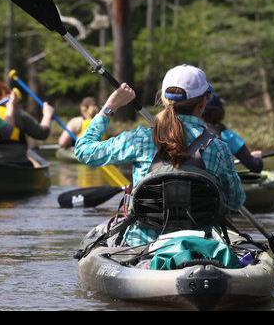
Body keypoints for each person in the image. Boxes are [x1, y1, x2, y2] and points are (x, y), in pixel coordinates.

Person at [75, 64, 244, 246]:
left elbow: (84, 151)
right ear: (204, 102)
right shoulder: (219, 148)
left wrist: (110, 106)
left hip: (142, 247)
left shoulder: (140, 139)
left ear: (163, 100)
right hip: (202, 247)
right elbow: (235, 201)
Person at [0, 78, 55, 163]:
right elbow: (42, 133)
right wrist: (47, 114)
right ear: (6, 94)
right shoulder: (18, 115)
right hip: (17, 163)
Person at [202, 93, 263, 173]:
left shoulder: (187, 130)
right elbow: (255, 166)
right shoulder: (227, 135)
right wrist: (257, 158)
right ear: (219, 112)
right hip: (214, 183)